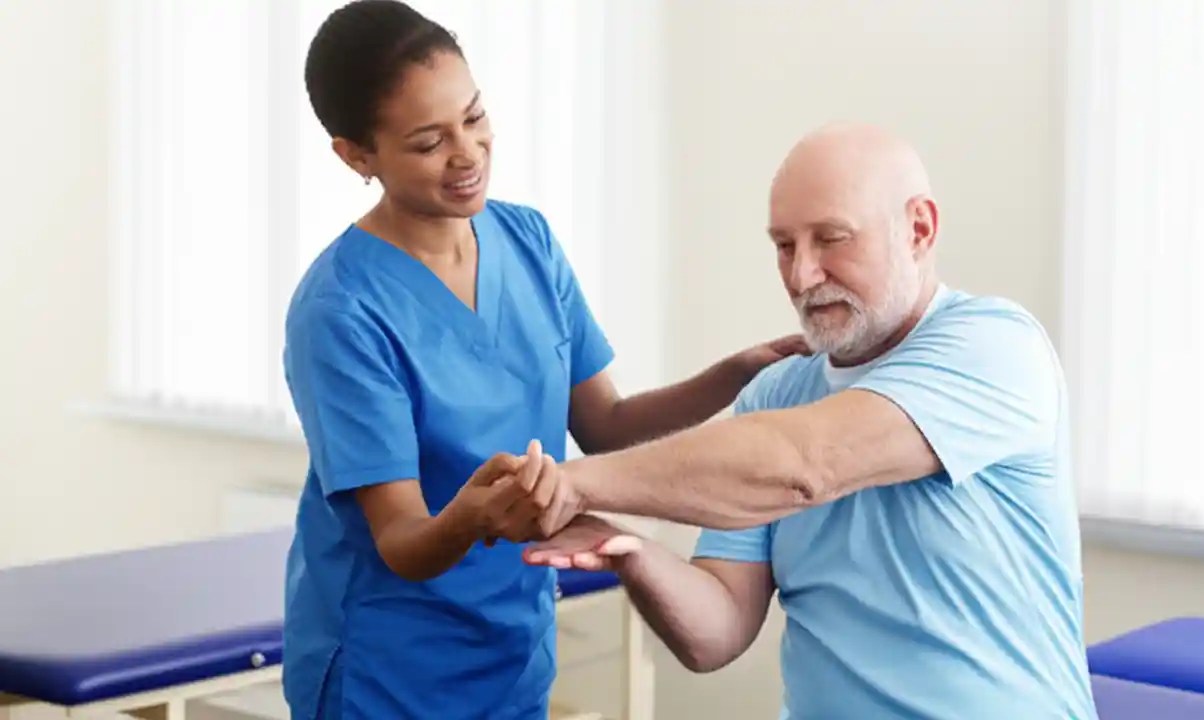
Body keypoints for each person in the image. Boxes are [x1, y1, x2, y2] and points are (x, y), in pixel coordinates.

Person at [281, 2, 808, 718]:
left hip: (513, 652)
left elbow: (608, 424)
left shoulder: (527, 241)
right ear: (357, 154)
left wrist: (736, 371)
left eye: (474, 117)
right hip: (390, 675)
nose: (467, 154)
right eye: (429, 141)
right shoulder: (342, 310)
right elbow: (402, 539)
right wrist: (471, 517)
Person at [522, 123, 1099, 719]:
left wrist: (573, 482)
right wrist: (631, 555)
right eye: (784, 246)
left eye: (831, 239)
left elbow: (804, 466)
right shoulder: (775, 395)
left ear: (919, 230)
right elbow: (715, 632)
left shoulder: (994, 346)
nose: (802, 276)